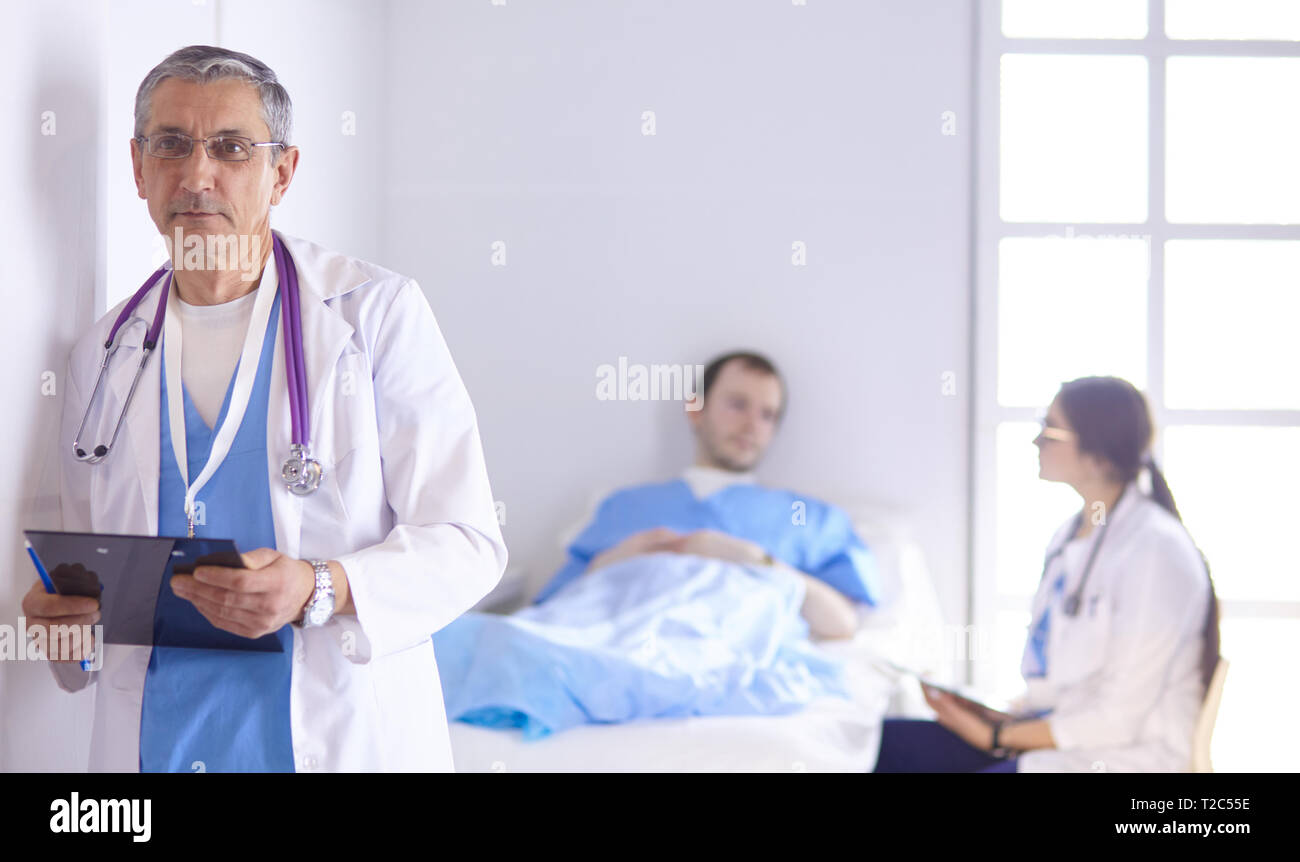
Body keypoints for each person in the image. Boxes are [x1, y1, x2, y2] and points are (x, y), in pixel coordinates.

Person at [20, 45, 506, 772]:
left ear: (282, 172)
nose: (197, 174)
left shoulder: (373, 316)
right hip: (154, 749)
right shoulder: (102, 355)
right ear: (137, 168)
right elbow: (94, 600)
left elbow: (469, 541)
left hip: (332, 738)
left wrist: (319, 587)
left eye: (233, 148)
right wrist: (64, 627)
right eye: (171, 145)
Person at [874, 376, 1219, 773]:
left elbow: (1118, 717)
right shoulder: (1069, 537)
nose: (1037, 441)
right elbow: (1061, 686)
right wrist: (995, 717)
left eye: (1050, 430)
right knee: (891, 744)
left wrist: (997, 738)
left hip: (1121, 758)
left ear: (1097, 455)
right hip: (1060, 743)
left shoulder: (1155, 551)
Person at [533, 351, 881, 638]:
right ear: (696, 409)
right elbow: (551, 613)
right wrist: (614, 560)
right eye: (737, 404)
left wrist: (753, 559)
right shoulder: (625, 508)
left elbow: (842, 624)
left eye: (767, 415)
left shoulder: (806, 518)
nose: (751, 426)